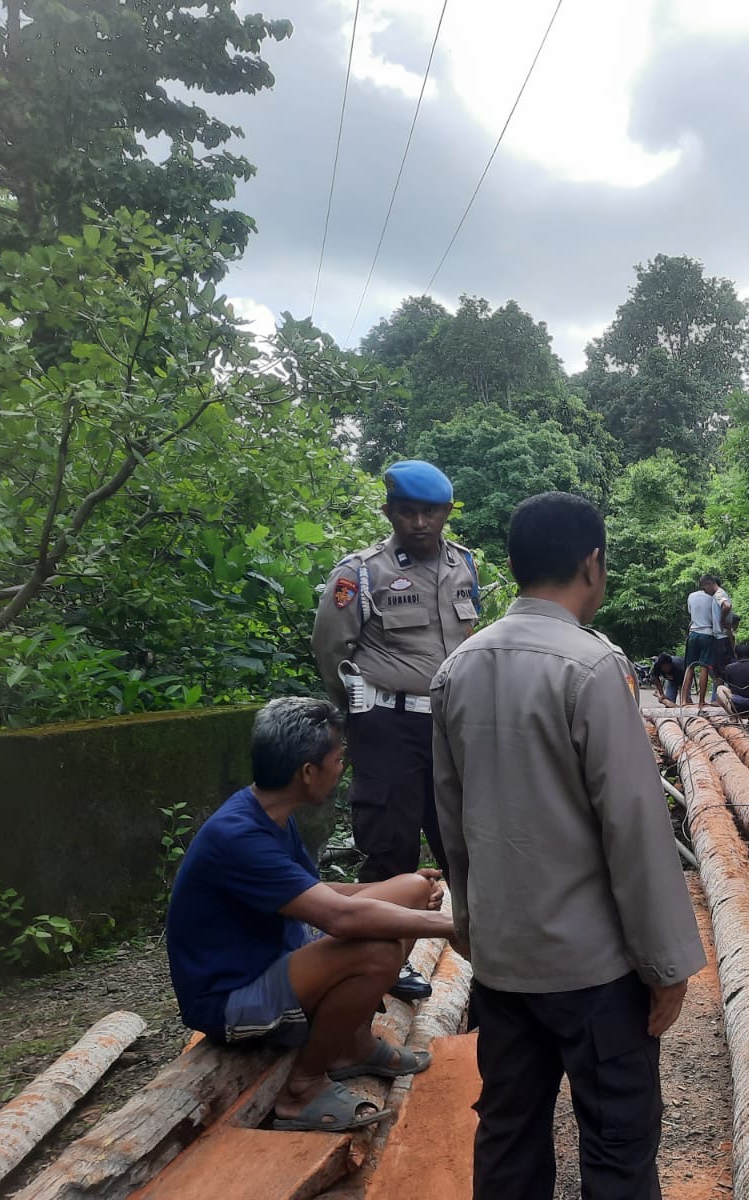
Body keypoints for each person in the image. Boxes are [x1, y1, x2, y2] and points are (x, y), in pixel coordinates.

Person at [432, 491, 706, 1200]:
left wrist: (471, 933)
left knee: (509, 1136)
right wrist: (665, 963)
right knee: (617, 1143)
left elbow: (453, 822)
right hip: (594, 973)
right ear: (592, 562)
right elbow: (635, 827)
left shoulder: (458, 668)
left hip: (504, 966)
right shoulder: (591, 666)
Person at [166, 697, 456, 1133]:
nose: (343, 768)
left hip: (279, 961)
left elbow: (318, 894)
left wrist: (408, 893)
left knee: (412, 888)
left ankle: (352, 1045)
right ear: (307, 772)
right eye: (338, 758)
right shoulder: (238, 835)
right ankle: (301, 1087)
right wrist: (458, 926)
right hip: (229, 999)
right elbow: (339, 919)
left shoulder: (270, 813)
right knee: (375, 951)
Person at [310, 459, 479, 1002]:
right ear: (389, 512)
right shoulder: (361, 571)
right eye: (407, 511)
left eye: (430, 512)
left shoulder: (464, 566)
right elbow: (331, 650)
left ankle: (489, 946)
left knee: (465, 840)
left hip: (451, 727)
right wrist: (364, 712)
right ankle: (388, 961)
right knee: (391, 846)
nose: (420, 522)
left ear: (447, 513)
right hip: (387, 726)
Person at [683, 573, 728, 709]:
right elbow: (718, 614)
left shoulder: (691, 596)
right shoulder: (713, 598)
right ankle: (701, 701)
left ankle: (684, 700)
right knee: (704, 667)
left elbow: (691, 614)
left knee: (690, 667)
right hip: (707, 634)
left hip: (693, 634)